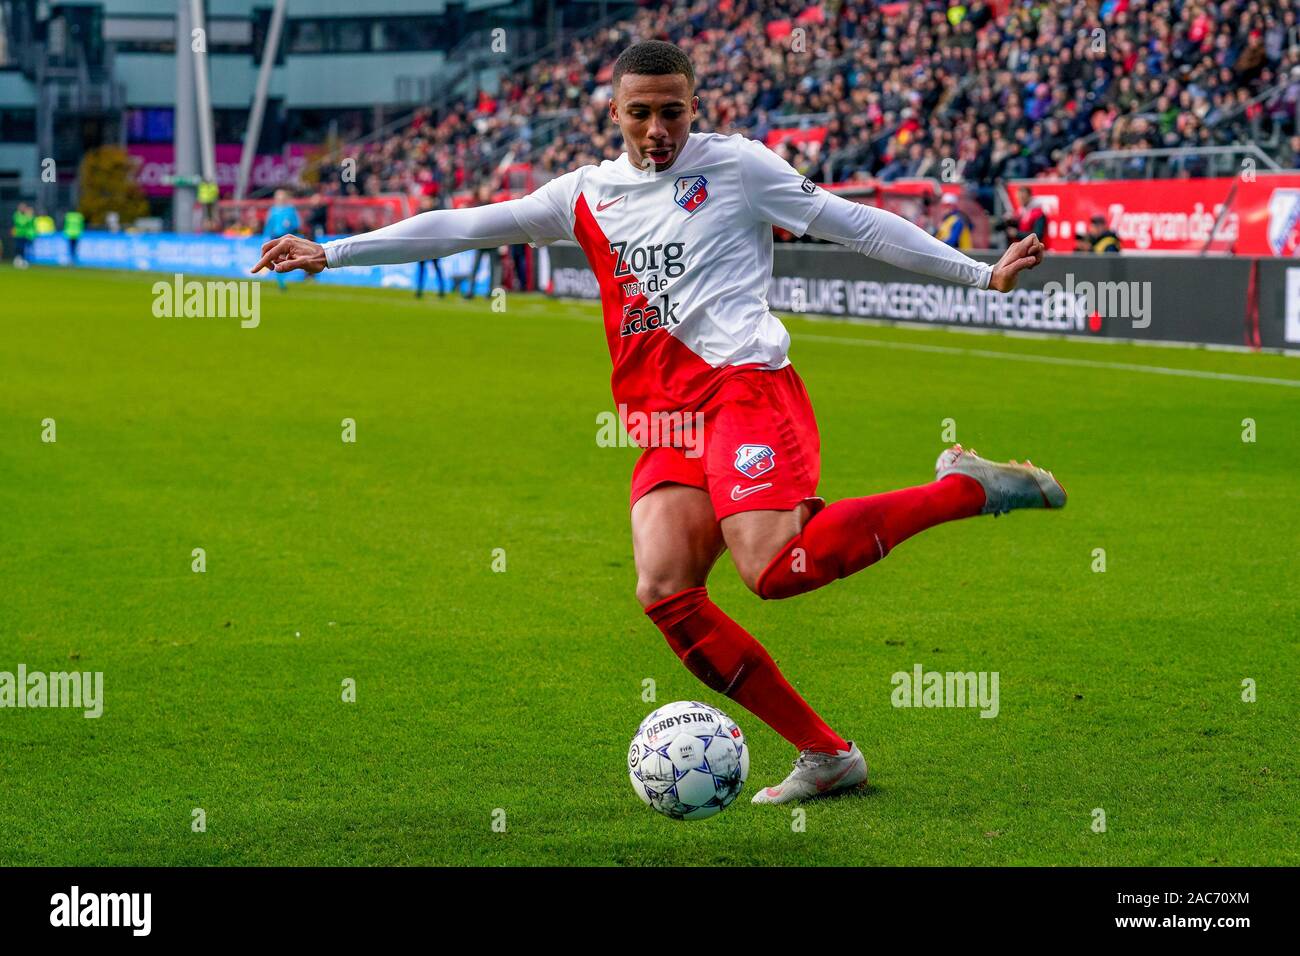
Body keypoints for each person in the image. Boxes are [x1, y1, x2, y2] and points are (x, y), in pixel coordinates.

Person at [253, 40, 1062, 805]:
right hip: (664, 422)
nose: (657, 129)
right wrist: (333, 250)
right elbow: (464, 224)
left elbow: (853, 222)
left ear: (693, 105)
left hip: (746, 390)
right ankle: (828, 755)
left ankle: (962, 489)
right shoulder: (582, 195)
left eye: (672, 111)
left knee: (773, 571)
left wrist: (979, 272)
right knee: (667, 592)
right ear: (614, 112)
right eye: (640, 112)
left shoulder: (738, 167)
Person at [262, 190, 302, 292]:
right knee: (279, 260)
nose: (280, 199)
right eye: (278, 197)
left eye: (282, 197)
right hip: (275, 238)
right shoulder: (273, 210)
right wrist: (266, 236)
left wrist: (291, 226)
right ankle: (281, 283)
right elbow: (269, 224)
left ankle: (285, 281)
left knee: (286, 260)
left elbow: (297, 224)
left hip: (286, 238)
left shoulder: (290, 210)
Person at [413, 195, 447, 299]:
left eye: (427, 200)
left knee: (436, 268)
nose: (426, 202)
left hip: (433, 246)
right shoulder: (419, 213)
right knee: (422, 268)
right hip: (422, 246)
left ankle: (441, 290)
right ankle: (419, 290)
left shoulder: (434, 213)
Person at [11, 202, 35, 268]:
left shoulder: (28, 215)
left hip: (25, 234)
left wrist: (30, 215)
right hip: (18, 234)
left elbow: (31, 223)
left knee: (24, 248)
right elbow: (21, 223)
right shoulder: (17, 214)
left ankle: (23, 260)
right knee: (18, 247)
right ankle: (18, 259)